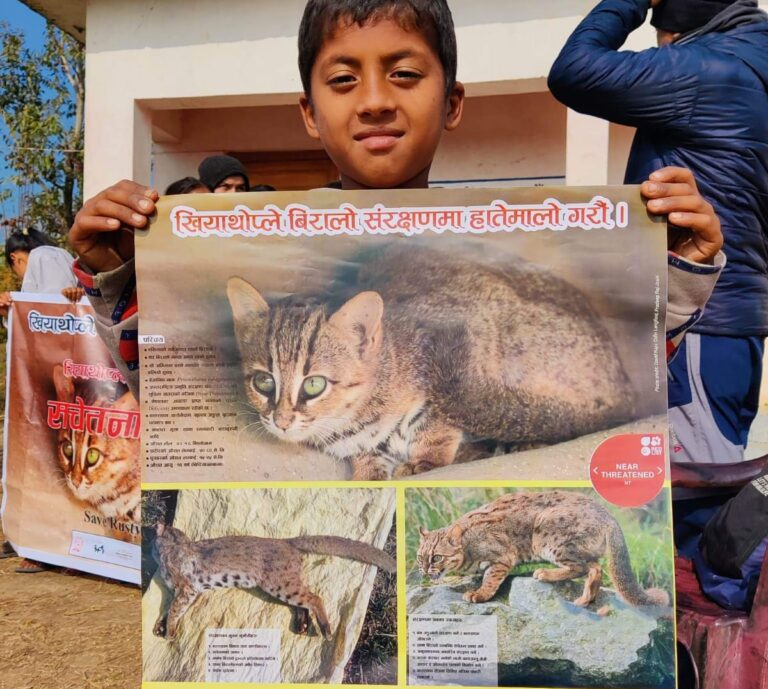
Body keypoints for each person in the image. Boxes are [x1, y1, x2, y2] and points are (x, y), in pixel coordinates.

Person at [69, 0, 724, 404]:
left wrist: (676, 275)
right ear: (309, 112)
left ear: (452, 102)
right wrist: (120, 275)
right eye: (344, 79)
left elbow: (622, 373)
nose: (376, 99)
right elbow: (169, 393)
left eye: (405, 74)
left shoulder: (497, 248)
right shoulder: (258, 249)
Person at [548, 0, 768, 469]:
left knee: (688, 493)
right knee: (714, 476)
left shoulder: (707, 66)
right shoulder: (756, 63)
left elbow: (573, 70)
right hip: (735, 319)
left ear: (675, 32)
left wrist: (627, 3)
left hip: (694, 317)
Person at [1, 228, 80, 573]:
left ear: (18, 258)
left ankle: (48, 545)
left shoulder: (45, 259)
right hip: (52, 386)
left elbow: (45, 325)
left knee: (48, 462)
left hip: (49, 388)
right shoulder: (63, 259)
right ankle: (38, 540)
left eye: (17, 265)